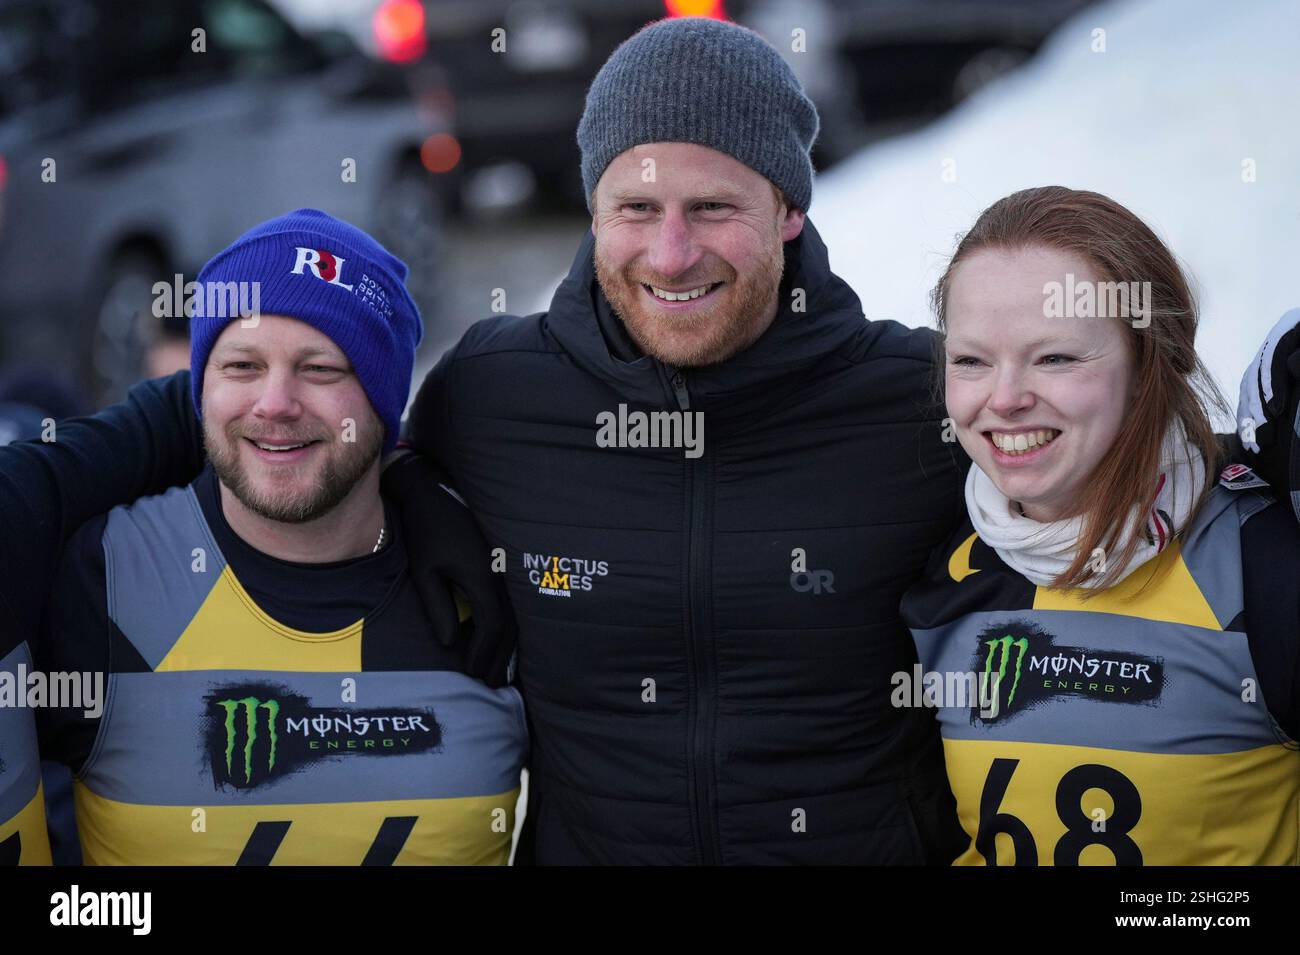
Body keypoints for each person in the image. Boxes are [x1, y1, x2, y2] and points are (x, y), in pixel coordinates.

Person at [396, 16, 970, 864]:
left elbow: (1112, 456)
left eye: (711, 207)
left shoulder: (920, 397)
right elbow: (303, 457)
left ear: (788, 211)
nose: (670, 255)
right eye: (635, 208)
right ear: (594, 211)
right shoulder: (493, 393)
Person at [30, 210, 527, 865]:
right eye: (241, 364)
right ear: (198, 389)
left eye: (320, 369)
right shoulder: (103, 579)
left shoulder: (490, 586)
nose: (275, 402)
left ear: (382, 403)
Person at [900, 186, 1299, 865]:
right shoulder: (946, 571)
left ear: (1150, 367)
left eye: (1055, 357)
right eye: (971, 360)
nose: (1005, 398)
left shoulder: (1258, 559)